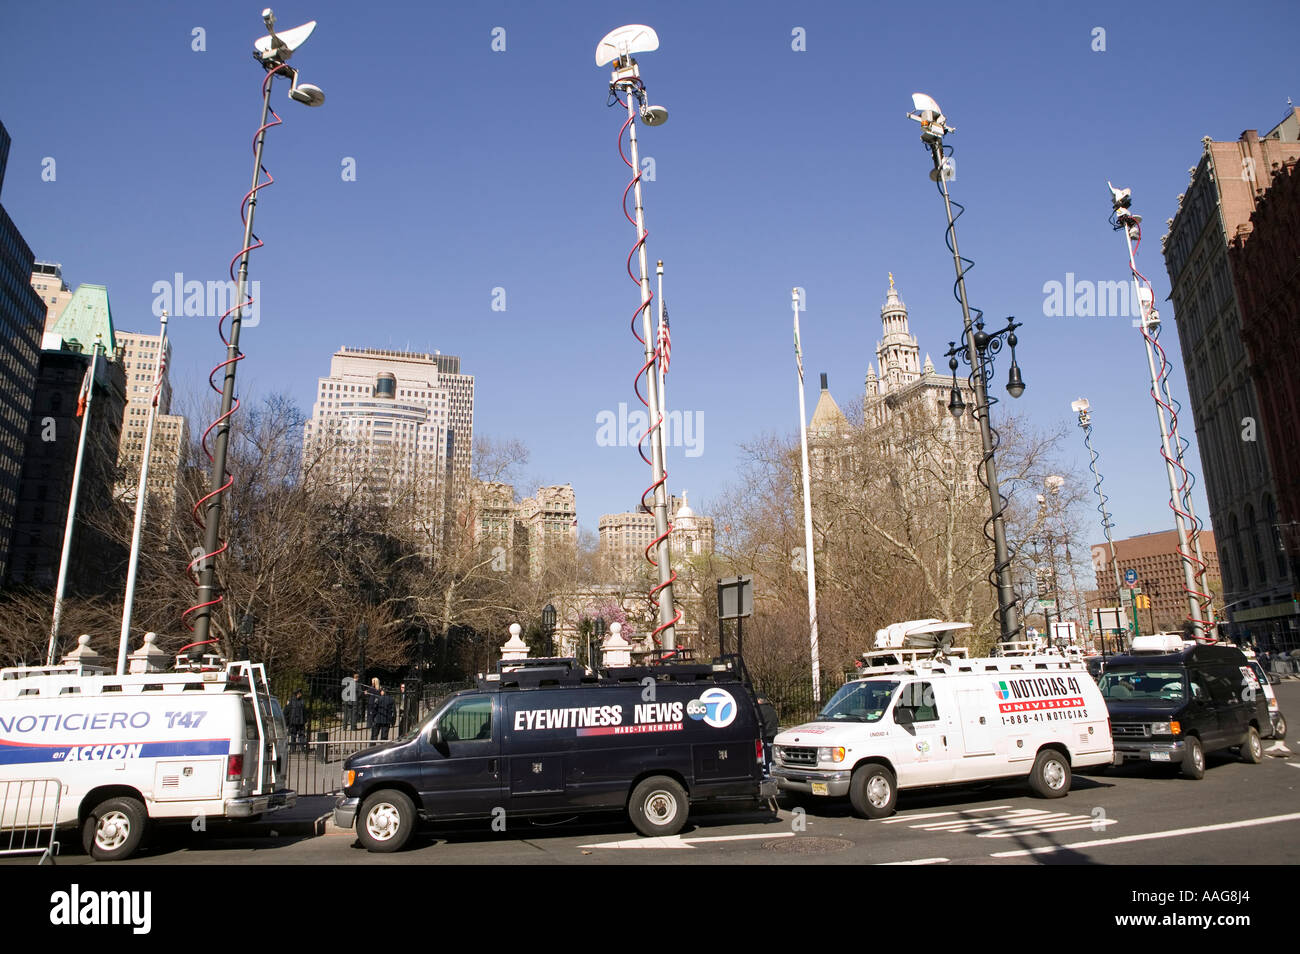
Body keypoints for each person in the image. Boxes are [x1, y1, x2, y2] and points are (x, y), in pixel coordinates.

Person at [286, 689, 307, 753]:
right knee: (293, 735)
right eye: (300, 693)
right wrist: (287, 721)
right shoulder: (291, 701)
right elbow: (286, 711)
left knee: (301, 735)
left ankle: (302, 749)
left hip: (301, 722)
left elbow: (305, 712)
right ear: (297, 694)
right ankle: (293, 749)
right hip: (293, 722)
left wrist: (305, 720)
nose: (301, 694)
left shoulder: (302, 701)